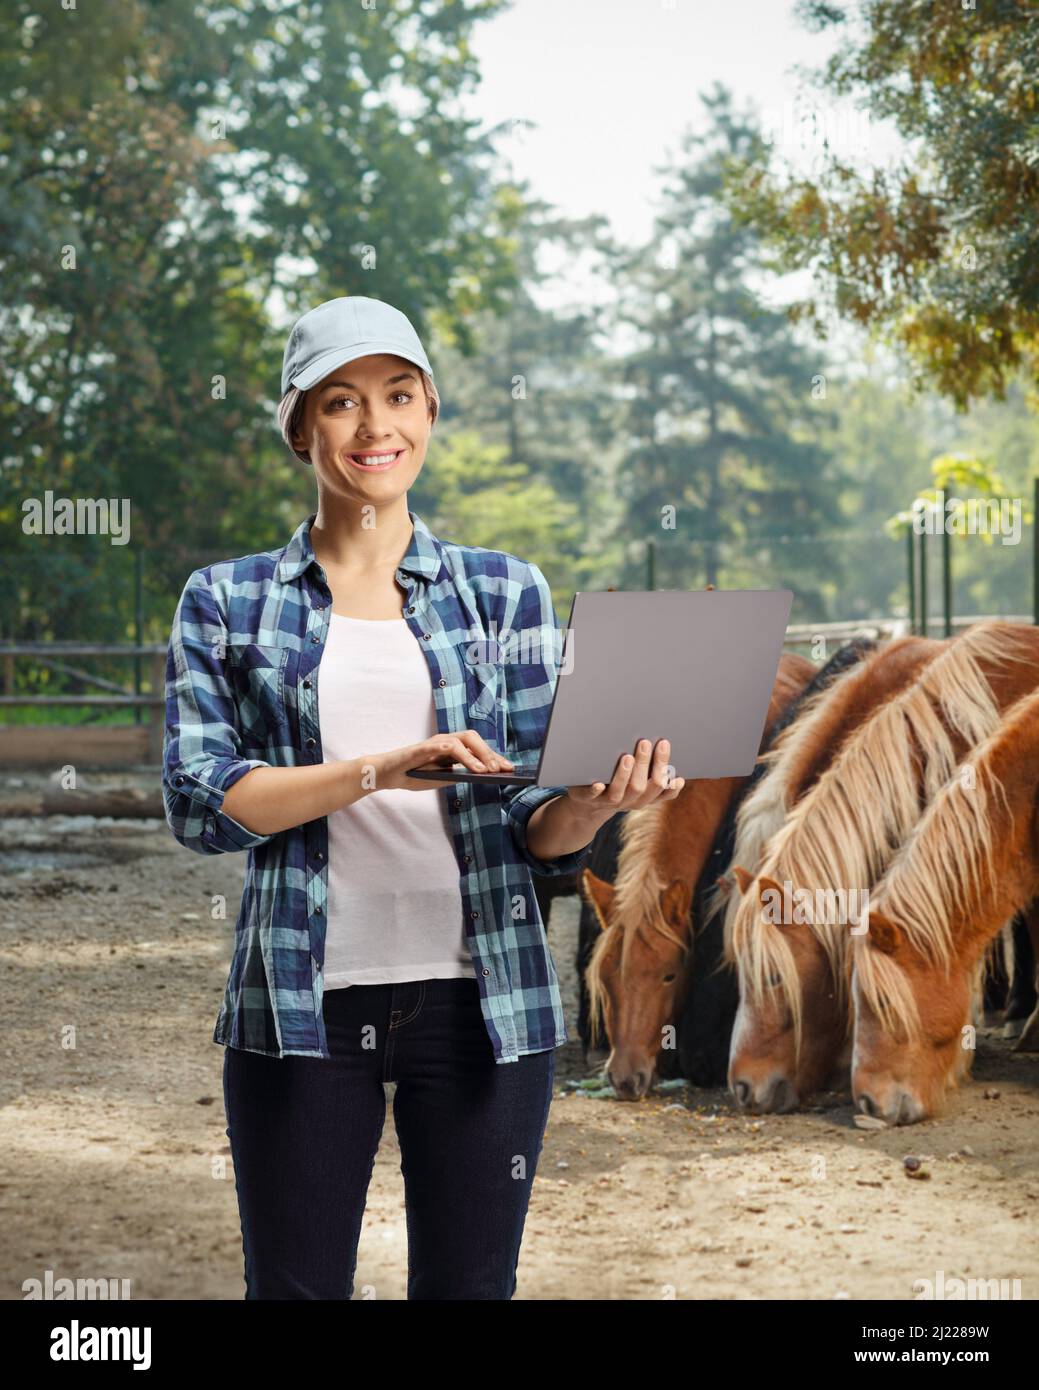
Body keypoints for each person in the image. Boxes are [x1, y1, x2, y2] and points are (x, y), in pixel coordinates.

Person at [162, 294, 685, 1300]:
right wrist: (378, 770)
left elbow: (537, 827)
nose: (375, 426)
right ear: (300, 426)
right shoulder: (225, 599)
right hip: (298, 1000)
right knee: (297, 1288)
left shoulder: (505, 592)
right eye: (342, 403)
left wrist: (592, 804)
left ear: (431, 413)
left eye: (399, 396)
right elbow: (200, 800)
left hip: (484, 999)